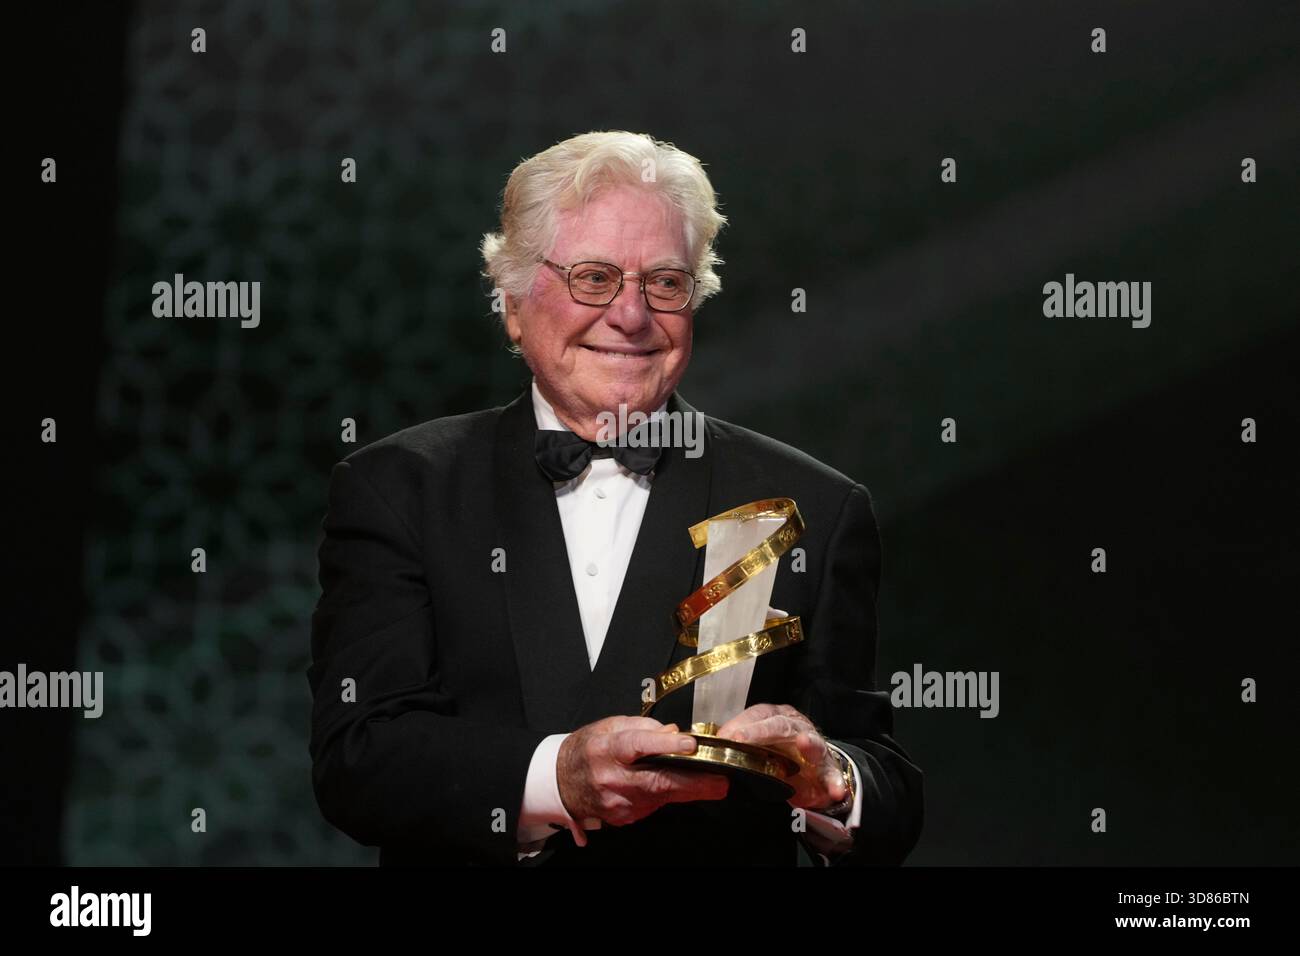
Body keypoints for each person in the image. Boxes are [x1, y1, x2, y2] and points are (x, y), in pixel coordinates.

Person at [308, 130, 923, 866]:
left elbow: (889, 794)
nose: (631, 317)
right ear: (511, 302)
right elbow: (358, 760)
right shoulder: (399, 489)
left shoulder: (813, 507)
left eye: (664, 282)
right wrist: (555, 779)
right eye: (594, 279)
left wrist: (830, 779)